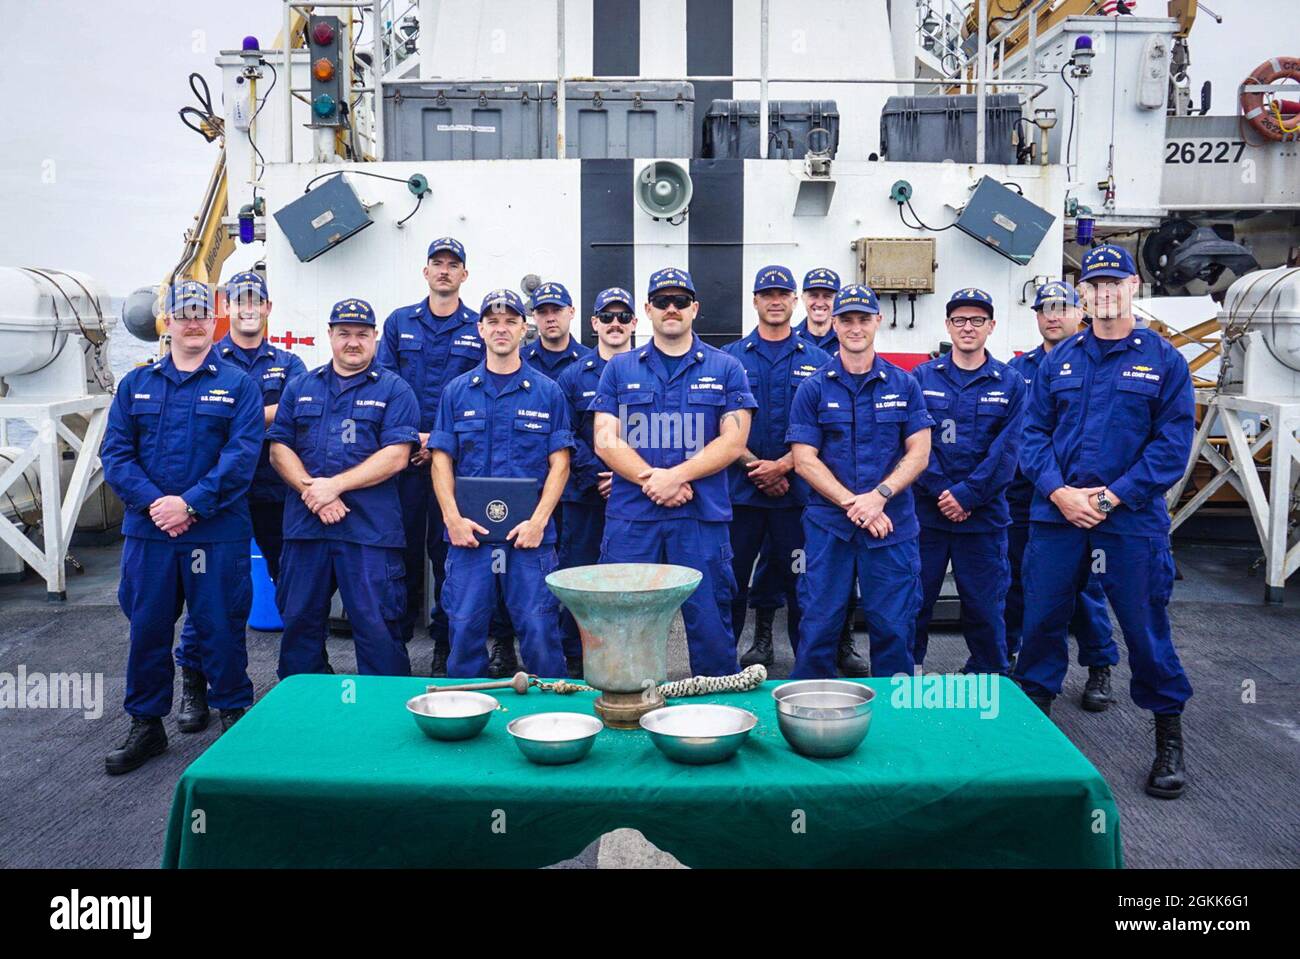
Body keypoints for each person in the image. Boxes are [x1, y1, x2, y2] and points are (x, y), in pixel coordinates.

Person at [1014, 244, 1195, 799]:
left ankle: (1167, 738)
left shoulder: (1164, 361)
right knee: (1041, 620)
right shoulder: (1059, 361)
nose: (1106, 292)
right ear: (1084, 294)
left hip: (1130, 521)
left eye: (1116, 282)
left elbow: (1172, 446)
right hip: (1057, 515)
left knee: (1143, 628)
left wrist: (1112, 498)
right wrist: (1060, 493)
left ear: (1134, 286)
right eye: (1095, 284)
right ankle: (1033, 730)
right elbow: (1032, 436)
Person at [100, 280, 264, 774]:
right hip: (151, 534)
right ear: (166, 321)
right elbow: (117, 454)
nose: (192, 321)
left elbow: (241, 457)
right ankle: (146, 726)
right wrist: (158, 506)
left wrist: (190, 506)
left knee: (220, 628)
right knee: (147, 629)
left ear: (213, 320)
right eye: (183, 313)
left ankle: (234, 718)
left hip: (215, 532)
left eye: (200, 313)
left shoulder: (239, 386)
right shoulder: (136, 385)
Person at [591, 268, 756, 676]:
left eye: (680, 301)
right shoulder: (619, 369)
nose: (671, 308)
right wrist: (654, 479)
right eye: (661, 301)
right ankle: (623, 708)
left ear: (694, 309)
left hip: (700, 519)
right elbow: (605, 437)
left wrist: (677, 476)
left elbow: (733, 441)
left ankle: (716, 716)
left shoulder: (726, 368)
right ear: (647, 310)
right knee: (621, 618)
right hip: (634, 519)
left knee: (712, 620)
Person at [172, 271, 307, 733]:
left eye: (258, 299)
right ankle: (195, 682)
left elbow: (295, 411)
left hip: (274, 490)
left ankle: (304, 678)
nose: (249, 307)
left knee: (292, 585)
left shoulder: (289, 364)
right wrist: (256, 414)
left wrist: (237, 408)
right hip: (219, 496)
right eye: (240, 300)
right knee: (208, 593)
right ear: (228, 308)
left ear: (268, 308)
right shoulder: (207, 360)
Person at [787, 284, 933, 679]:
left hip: (892, 528)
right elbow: (804, 460)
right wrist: (857, 504)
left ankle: (895, 723)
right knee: (818, 626)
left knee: (893, 627)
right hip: (829, 528)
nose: (855, 327)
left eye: (863, 319)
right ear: (834, 324)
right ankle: (812, 718)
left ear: (877, 322)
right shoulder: (813, 387)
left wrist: (880, 496)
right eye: (847, 319)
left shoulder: (905, 385)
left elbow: (919, 453)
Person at [269, 299, 421, 678]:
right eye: (344, 334)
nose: (353, 342)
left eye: (361, 334)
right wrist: (314, 493)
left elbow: (397, 455)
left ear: (374, 338)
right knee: (300, 623)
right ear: (330, 336)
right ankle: (307, 709)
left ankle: (384, 719)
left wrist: (333, 486)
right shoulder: (300, 386)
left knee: (377, 628)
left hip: (369, 532)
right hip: (307, 531)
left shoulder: (395, 390)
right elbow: (279, 449)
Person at [430, 288, 572, 678]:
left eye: (510, 321)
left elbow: (560, 463)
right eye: (493, 321)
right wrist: (452, 520)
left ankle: (550, 718)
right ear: (480, 329)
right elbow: (441, 460)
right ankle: (465, 715)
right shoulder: (457, 392)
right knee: (463, 627)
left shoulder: (547, 392)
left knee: (540, 629)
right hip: (469, 539)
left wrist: (540, 521)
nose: (501, 328)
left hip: (529, 539)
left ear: (524, 329)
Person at [1006, 282, 1119, 710]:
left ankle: (1099, 664)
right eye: (1044, 309)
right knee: (1029, 585)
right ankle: (1024, 667)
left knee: (1086, 589)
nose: (1053, 316)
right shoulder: (1019, 368)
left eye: (1062, 308)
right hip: (1028, 496)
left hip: (1084, 499)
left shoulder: (1099, 363)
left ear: (1080, 313)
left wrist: (1089, 496)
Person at [376, 237, 482, 676]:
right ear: (425, 272)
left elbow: (478, 392)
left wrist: (434, 441)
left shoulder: (478, 326)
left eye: (452, 264)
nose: (443, 270)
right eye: (436, 263)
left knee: (449, 555)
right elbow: (383, 383)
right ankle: (396, 645)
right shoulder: (400, 322)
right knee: (397, 555)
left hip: (451, 464)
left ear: (463, 275)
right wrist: (411, 440)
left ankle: (444, 644)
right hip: (402, 461)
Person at [482, 281, 595, 676]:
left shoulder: (588, 362)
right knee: (504, 573)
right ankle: (504, 647)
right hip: (524, 496)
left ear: (570, 313)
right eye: (543, 311)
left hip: (578, 492)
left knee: (566, 572)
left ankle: (569, 649)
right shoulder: (517, 358)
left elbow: (577, 437)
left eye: (557, 310)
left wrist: (592, 474)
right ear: (535, 318)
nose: (550, 317)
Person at [911, 288, 1025, 673]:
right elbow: (912, 442)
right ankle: (907, 676)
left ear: (991, 326)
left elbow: (1007, 451)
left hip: (983, 517)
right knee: (914, 602)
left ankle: (990, 677)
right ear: (947, 325)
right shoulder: (921, 378)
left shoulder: (1011, 383)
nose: (967, 327)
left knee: (985, 605)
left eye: (977, 320)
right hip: (927, 514)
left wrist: (967, 495)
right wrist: (942, 490)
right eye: (959, 320)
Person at [723, 265, 831, 667]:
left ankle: (810, 672)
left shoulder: (819, 361)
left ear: (794, 300)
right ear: (754, 301)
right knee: (728, 585)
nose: (775, 301)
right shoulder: (730, 359)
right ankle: (720, 668)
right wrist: (758, 468)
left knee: (804, 586)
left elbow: (826, 425)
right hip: (740, 498)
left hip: (798, 498)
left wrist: (785, 465)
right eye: (767, 294)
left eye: (783, 294)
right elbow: (720, 425)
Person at [553, 287, 637, 677]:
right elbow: (563, 434)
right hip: (584, 496)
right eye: (607, 317)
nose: (615, 324)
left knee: (628, 581)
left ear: (635, 323)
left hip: (636, 497)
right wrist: (597, 475)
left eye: (623, 317)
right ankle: (574, 656)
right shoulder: (572, 377)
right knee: (580, 578)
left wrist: (624, 476)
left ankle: (626, 657)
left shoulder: (649, 369)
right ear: (594, 324)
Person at [794, 267, 841, 350]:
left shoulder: (846, 340)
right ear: (803, 298)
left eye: (827, 296)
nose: (819, 303)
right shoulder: (790, 339)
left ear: (837, 301)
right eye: (814, 296)